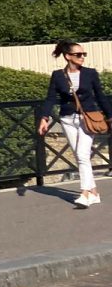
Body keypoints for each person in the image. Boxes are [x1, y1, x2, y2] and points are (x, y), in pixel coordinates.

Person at [37, 40, 110, 209]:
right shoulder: (57, 75)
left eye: (84, 54)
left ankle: (85, 193)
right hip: (67, 119)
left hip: (87, 119)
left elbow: (100, 96)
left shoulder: (90, 73)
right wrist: (44, 118)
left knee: (83, 155)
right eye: (78, 54)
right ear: (68, 56)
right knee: (79, 155)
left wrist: (110, 116)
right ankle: (94, 192)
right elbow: (50, 98)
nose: (82, 57)